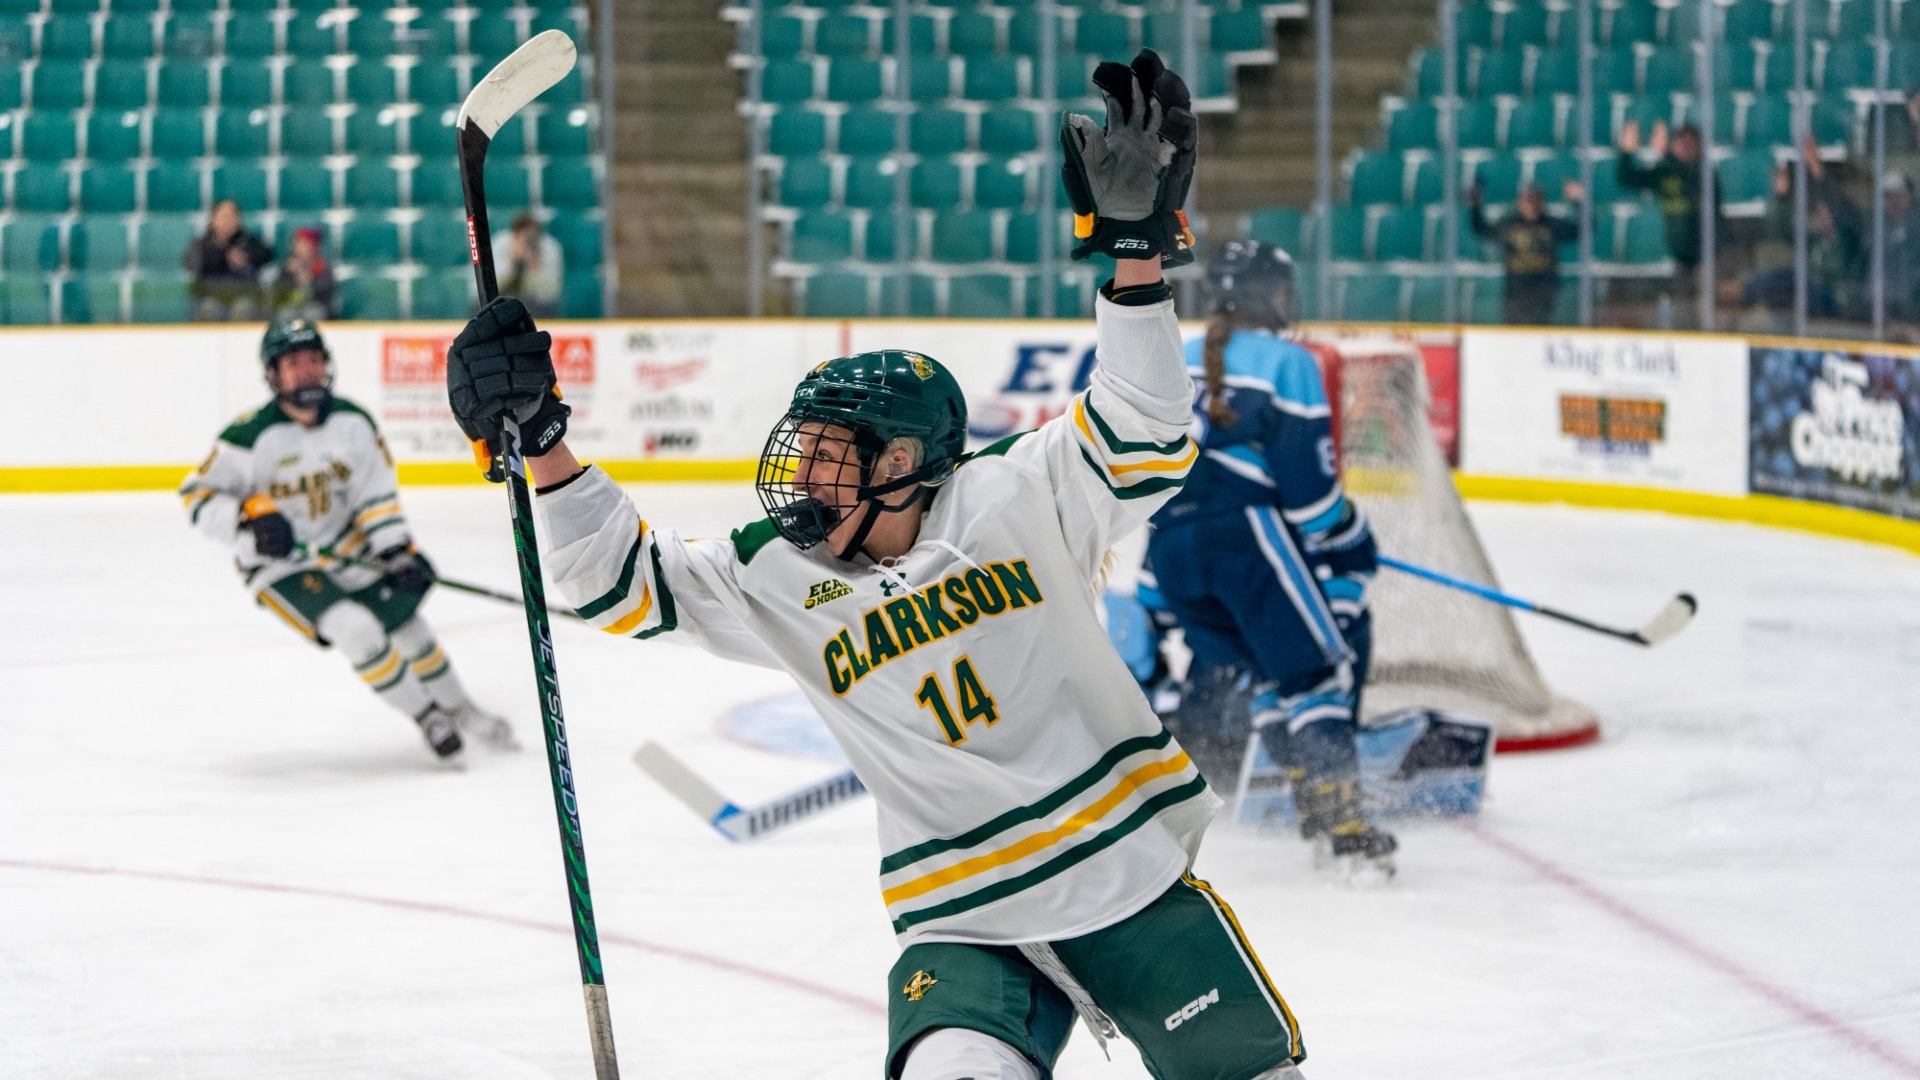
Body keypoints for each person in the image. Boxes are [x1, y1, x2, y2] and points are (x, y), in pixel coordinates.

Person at [448, 52, 1311, 1080]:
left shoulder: (1015, 493)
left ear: (903, 465)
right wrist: (540, 435)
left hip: (1124, 875)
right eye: (803, 441)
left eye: (828, 449)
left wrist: (1134, 260)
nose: (798, 469)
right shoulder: (773, 569)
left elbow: (1148, 431)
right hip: (962, 917)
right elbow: (613, 583)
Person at [1144, 240, 1392, 877]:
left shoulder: (1172, 356)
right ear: (1266, 295)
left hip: (1169, 550)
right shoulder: (1289, 362)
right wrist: (1356, 540)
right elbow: (1312, 508)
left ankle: (1312, 796)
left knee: (1270, 672)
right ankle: (1342, 825)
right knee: (1319, 673)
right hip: (1243, 542)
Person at [181, 317, 515, 761]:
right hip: (282, 567)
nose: (307, 371)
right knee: (357, 631)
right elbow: (198, 497)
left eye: (314, 359)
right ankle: (428, 717)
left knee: (411, 630)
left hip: (346, 550)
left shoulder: (352, 422)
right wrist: (247, 519)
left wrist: (396, 550)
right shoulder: (246, 437)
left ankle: (463, 710)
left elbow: (376, 497)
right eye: (294, 362)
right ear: (273, 373)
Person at [1616, 120, 1723, 314]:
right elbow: (1627, 178)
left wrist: (1666, 154)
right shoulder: (1666, 172)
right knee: (1682, 309)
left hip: (1708, 256)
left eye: (1689, 145)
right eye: (1680, 144)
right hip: (1680, 256)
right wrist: (1626, 152)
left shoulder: (1706, 173)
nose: (1684, 149)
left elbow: (1690, 180)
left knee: (1707, 308)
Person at [1470, 178, 1585, 326]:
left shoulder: (1551, 225)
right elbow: (1481, 229)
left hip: (1544, 292)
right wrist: (1475, 205)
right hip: (1515, 293)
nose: (1531, 205)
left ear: (1542, 202)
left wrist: (1580, 202)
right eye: (1527, 201)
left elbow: (1585, 229)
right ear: (1519, 202)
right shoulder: (1509, 225)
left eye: (1535, 200)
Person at [184, 199, 273, 322]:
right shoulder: (201, 245)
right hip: (211, 296)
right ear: (213, 219)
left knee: (244, 307)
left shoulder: (250, 242)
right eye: (224, 216)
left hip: (243, 296)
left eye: (233, 216)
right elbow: (192, 263)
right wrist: (224, 257)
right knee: (209, 308)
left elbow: (267, 255)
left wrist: (247, 257)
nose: (228, 220)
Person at [490, 212, 564, 318]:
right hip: (503, 302)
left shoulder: (550, 247)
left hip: (538, 305)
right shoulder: (501, 243)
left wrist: (534, 268)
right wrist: (511, 262)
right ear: (514, 234)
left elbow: (551, 293)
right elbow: (492, 285)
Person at [269, 226, 337, 322]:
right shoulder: (288, 266)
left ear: (313, 247)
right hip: (292, 306)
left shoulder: (323, 267)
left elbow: (326, 294)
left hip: (316, 306)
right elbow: (279, 293)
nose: (298, 247)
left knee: (312, 314)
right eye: (297, 243)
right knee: (284, 313)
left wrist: (308, 280)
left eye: (303, 244)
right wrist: (288, 275)